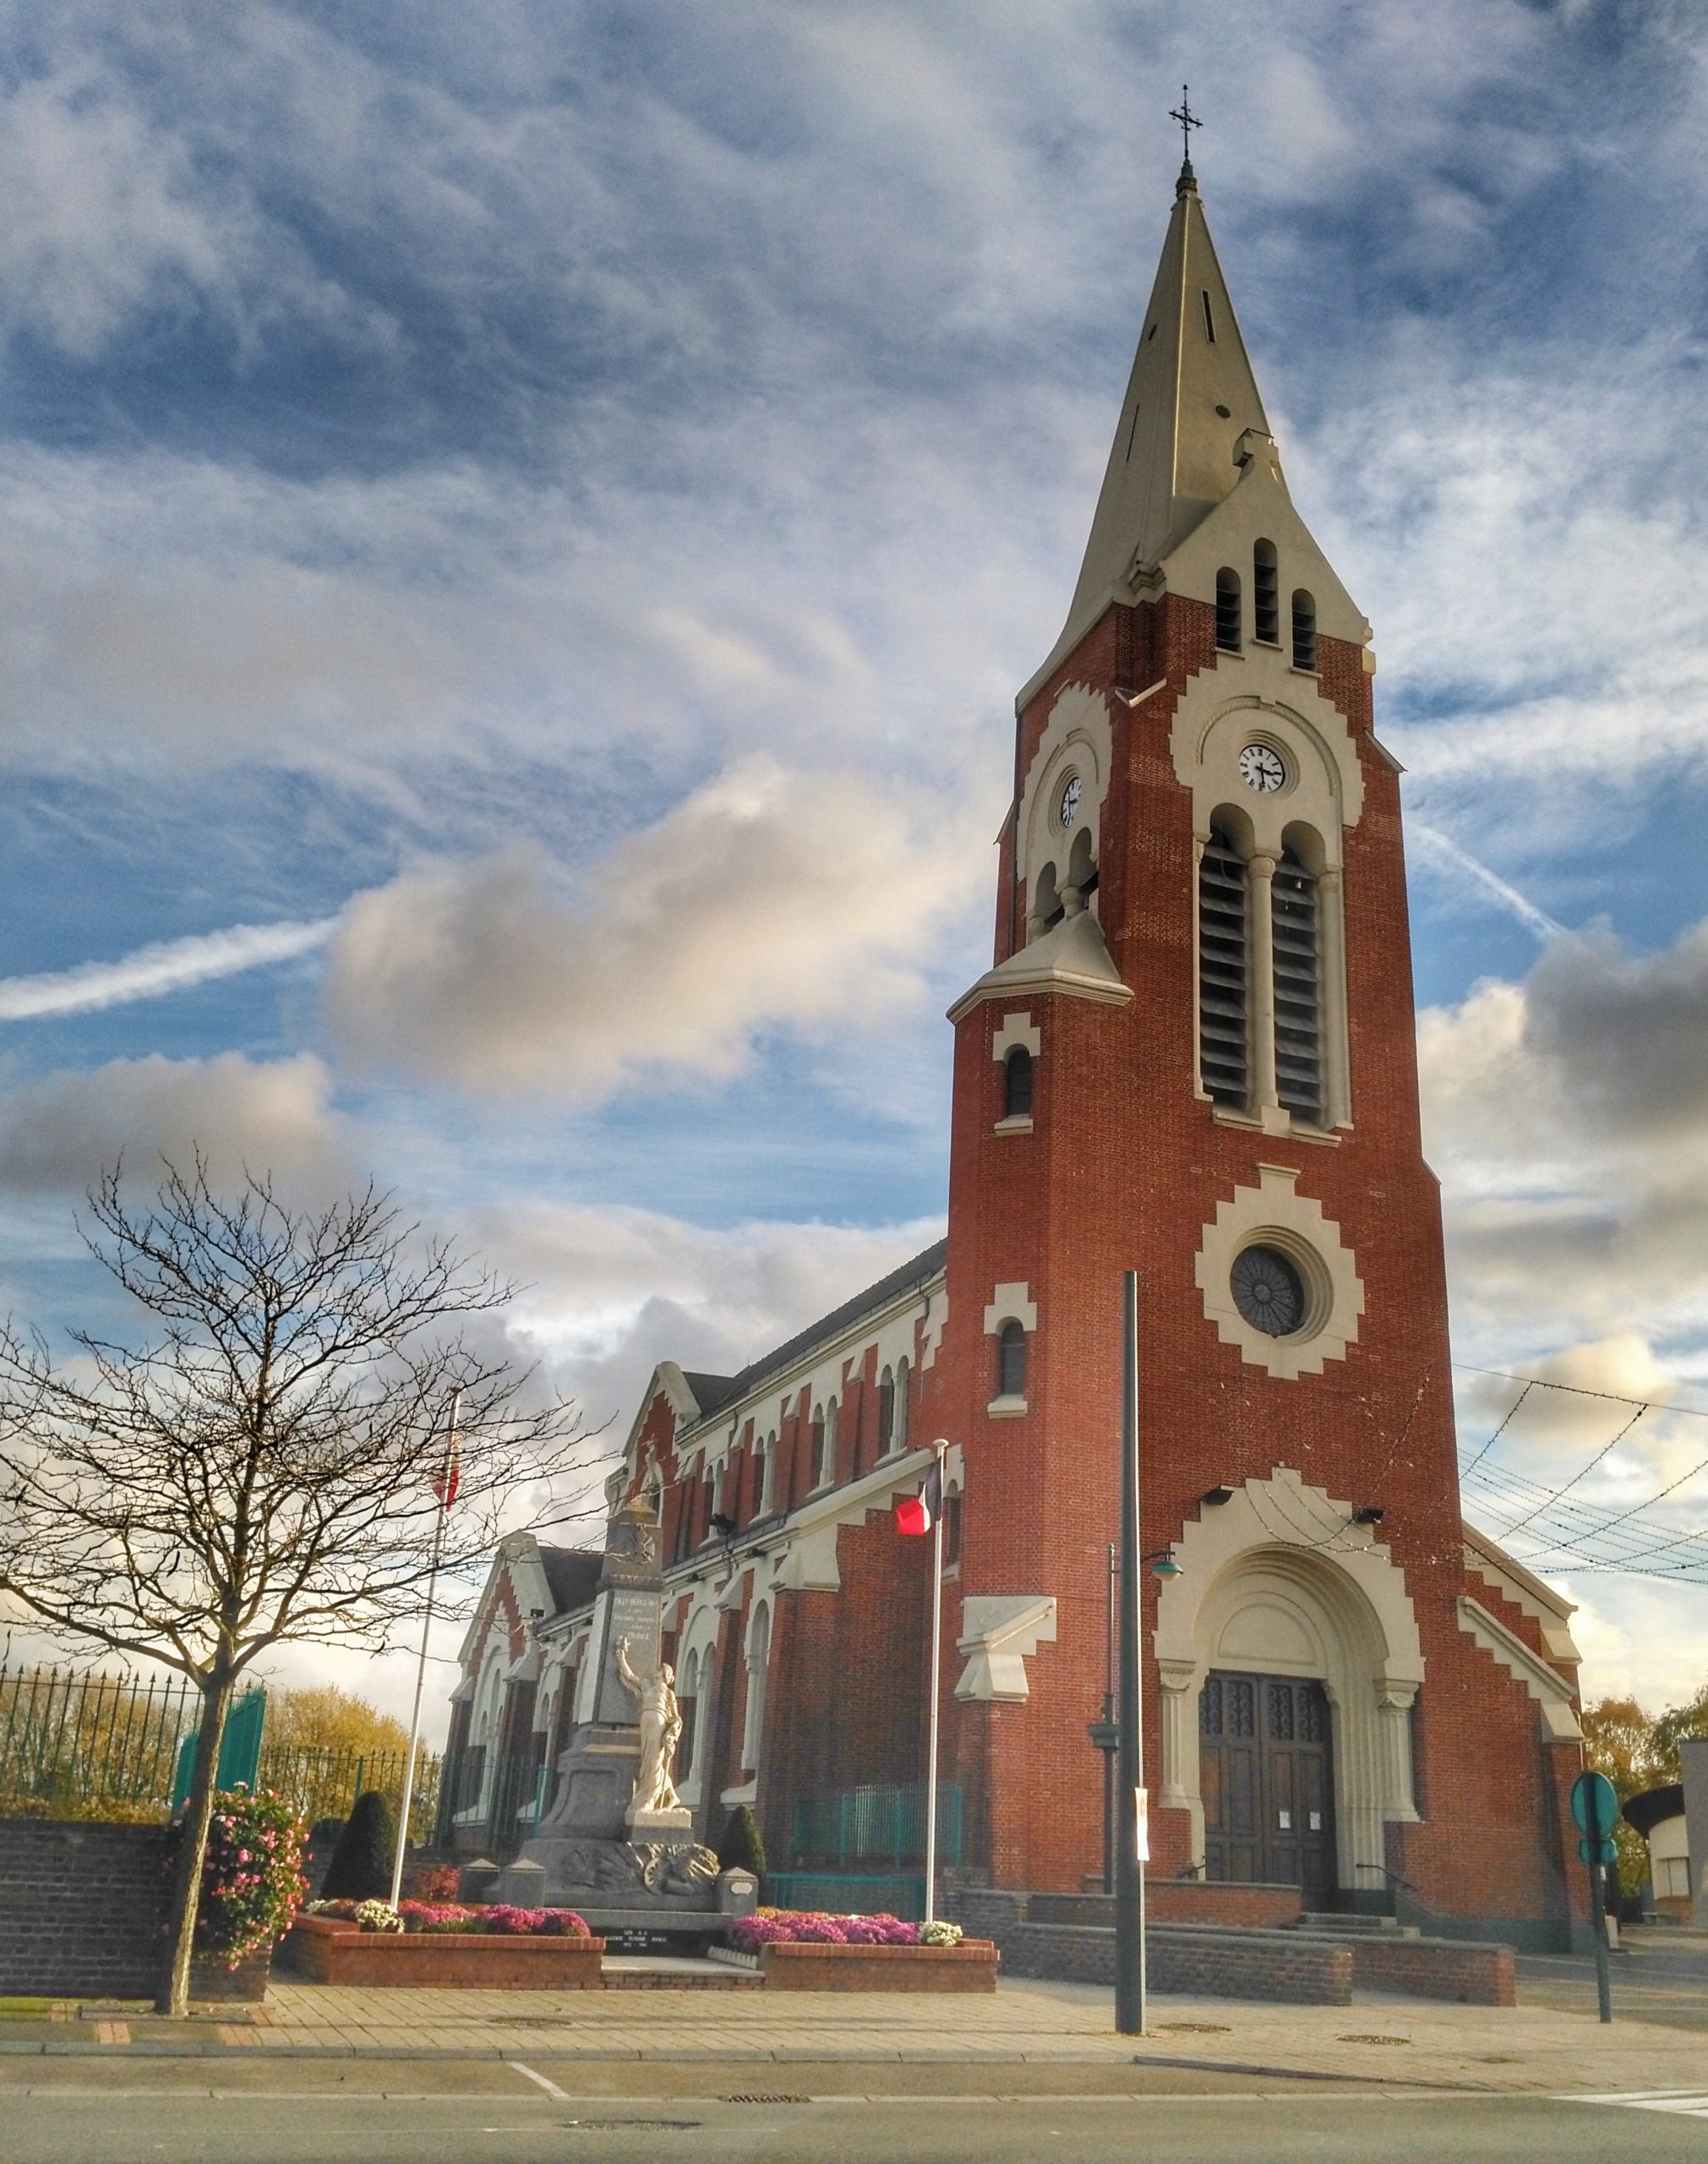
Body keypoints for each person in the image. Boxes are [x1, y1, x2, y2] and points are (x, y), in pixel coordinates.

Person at [616, 1635, 684, 1812]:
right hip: (646, 1722)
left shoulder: (668, 1693)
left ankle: (649, 1798)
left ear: (664, 1673)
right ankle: (656, 1794)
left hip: (658, 1723)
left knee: (654, 1760)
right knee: (648, 1759)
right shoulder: (646, 1685)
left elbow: (676, 1716)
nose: (655, 1671)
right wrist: (621, 1656)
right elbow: (629, 1675)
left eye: (659, 1670)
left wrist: (673, 1730)